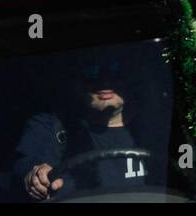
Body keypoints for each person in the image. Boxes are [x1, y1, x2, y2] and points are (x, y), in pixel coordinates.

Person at [15, 61, 167, 201]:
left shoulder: (160, 127)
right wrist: (36, 176)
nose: (105, 81)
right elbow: (27, 165)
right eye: (92, 72)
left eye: (115, 72)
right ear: (77, 79)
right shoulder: (51, 127)